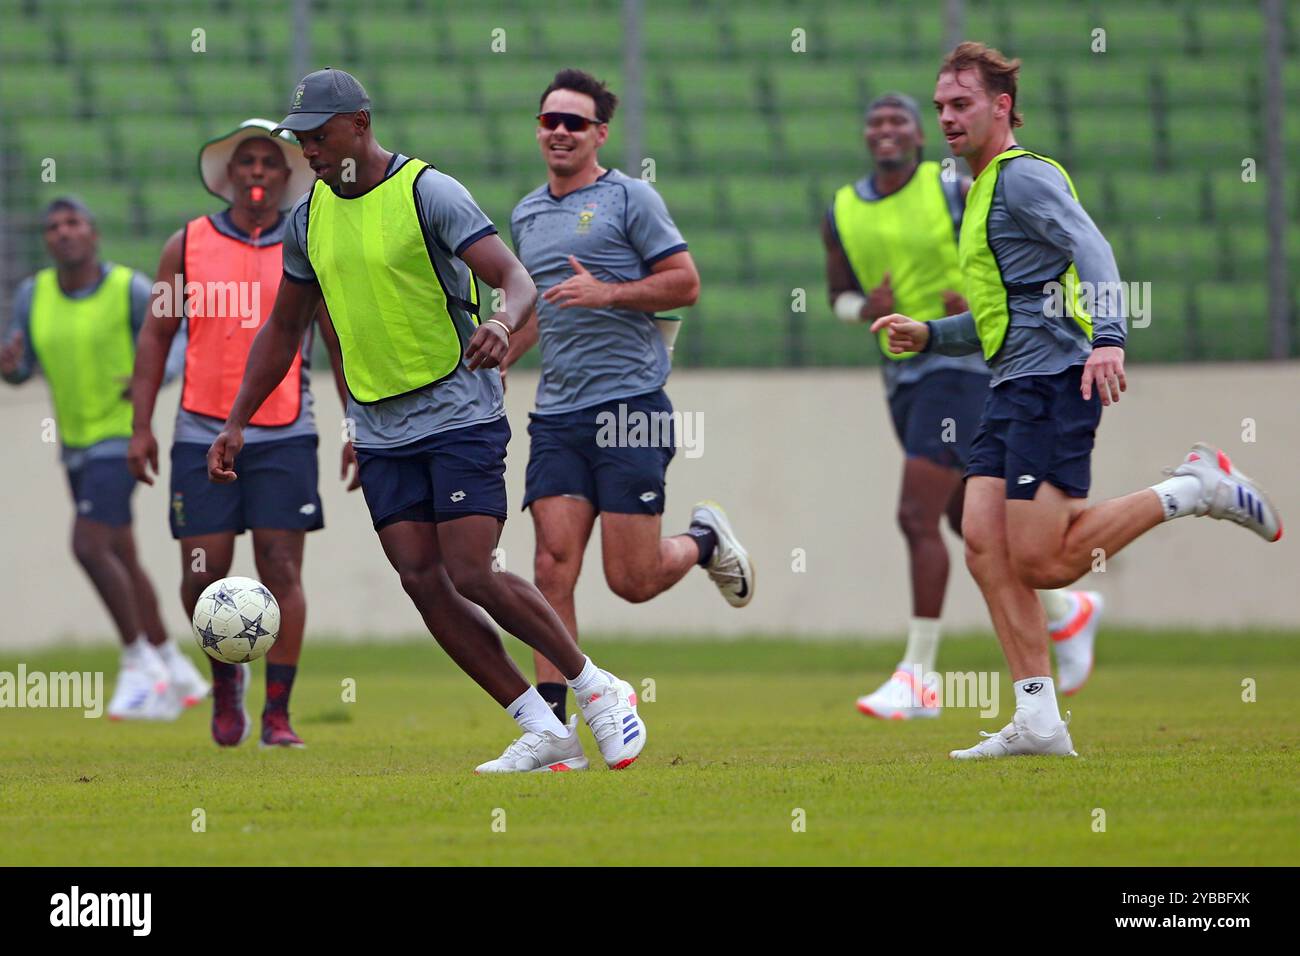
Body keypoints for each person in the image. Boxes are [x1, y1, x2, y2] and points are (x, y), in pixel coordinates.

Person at [207, 68, 647, 773]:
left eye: (319, 137)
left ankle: (599, 691)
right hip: (382, 428)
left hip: (457, 411)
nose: (310, 152)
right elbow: (283, 330)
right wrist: (235, 421)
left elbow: (517, 278)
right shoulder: (308, 218)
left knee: (471, 569)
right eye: (301, 140)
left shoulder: (427, 192)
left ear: (359, 123)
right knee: (420, 577)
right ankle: (542, 729)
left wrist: (503, 325)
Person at [872, 42, 1282, 759]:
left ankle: (1196, 487)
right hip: (1011, 385)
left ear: (1001, 107)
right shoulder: (980, 190)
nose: (946, 117)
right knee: (983, 545)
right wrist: (930, 335)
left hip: (1055, 382)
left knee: (1047, 562)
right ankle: (1037, 719)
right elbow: (1001, 314)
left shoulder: (1023, 177)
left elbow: (1091, 247)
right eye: (939, 106)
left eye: (960, 104)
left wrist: (1110, 337)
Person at [823, 93, 1103, 721]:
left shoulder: (952, 185)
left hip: (966, 365)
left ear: (920, 135)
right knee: (963, 520)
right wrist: (865, 308)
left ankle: (919, 674)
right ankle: (1067, 611)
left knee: (914, 515)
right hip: (904, 372)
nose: (887, 130)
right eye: (876, 122)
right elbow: (836, 294)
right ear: (866, 136)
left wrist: (971, 302)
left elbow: (997, 247)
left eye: (900, 121)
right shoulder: (842, 207)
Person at [501, 68, 754, 724]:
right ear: (538, 129)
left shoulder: (630, 200)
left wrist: (609, 291)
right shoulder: (527, 213)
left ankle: (703, 539)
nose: (559, 131)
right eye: (549, 120)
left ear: (600, 134)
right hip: (557, 412)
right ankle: (553, 723)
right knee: (552, 564)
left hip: (631, 406)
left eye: (574, 123)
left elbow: (686, 283)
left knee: (631, 581)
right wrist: (501, 350)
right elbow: (541, 310)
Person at [128, 119, 349, 748]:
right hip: (200, 429)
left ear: (287, 177)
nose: (257, 171)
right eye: (246, 161)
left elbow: (335, 339)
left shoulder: (308, 239)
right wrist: (140, 425)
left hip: (284, 431)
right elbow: (156, 335)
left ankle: (278, 714)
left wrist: (355, 422)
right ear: (229, 175)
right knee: (204, 573)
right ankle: (225, 686)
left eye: (269, 162)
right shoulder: (187, 245)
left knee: (281, 567)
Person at [1, 197, 204, 720]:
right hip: (73, 443)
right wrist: (10, 367)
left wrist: (151, 379)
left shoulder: (129, 288)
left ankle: (139, 663)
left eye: (73, 223)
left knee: (88, 545)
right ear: (45, 240)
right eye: (52, 226)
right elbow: (22, 366)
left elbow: (175, 337)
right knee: (121, 554)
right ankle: (172, 664)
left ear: (93, 234)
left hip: (120, 438)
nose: (63, 233)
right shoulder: (33, 293)